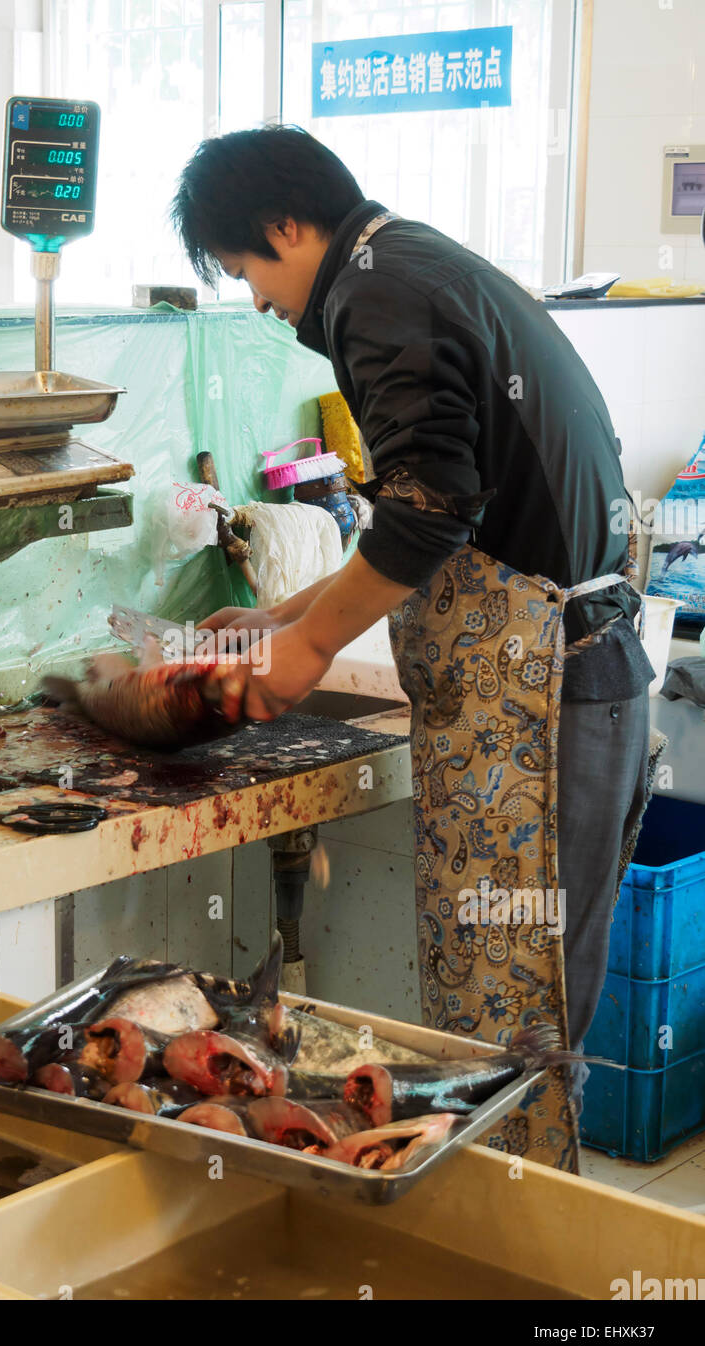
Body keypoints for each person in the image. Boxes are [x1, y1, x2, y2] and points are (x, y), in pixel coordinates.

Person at [171, 125, 655, 1170]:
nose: (255, 299)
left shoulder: (376, 292)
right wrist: (284, 617)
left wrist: (307, 652)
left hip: (548, 693)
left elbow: (431, 510)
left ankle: (512, 1231)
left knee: (517, 1012)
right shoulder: (409, 263)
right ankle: (498, 1216)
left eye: (245, 268)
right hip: (568, 676)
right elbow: (442, 520)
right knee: (511, 1003)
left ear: (286, 226)